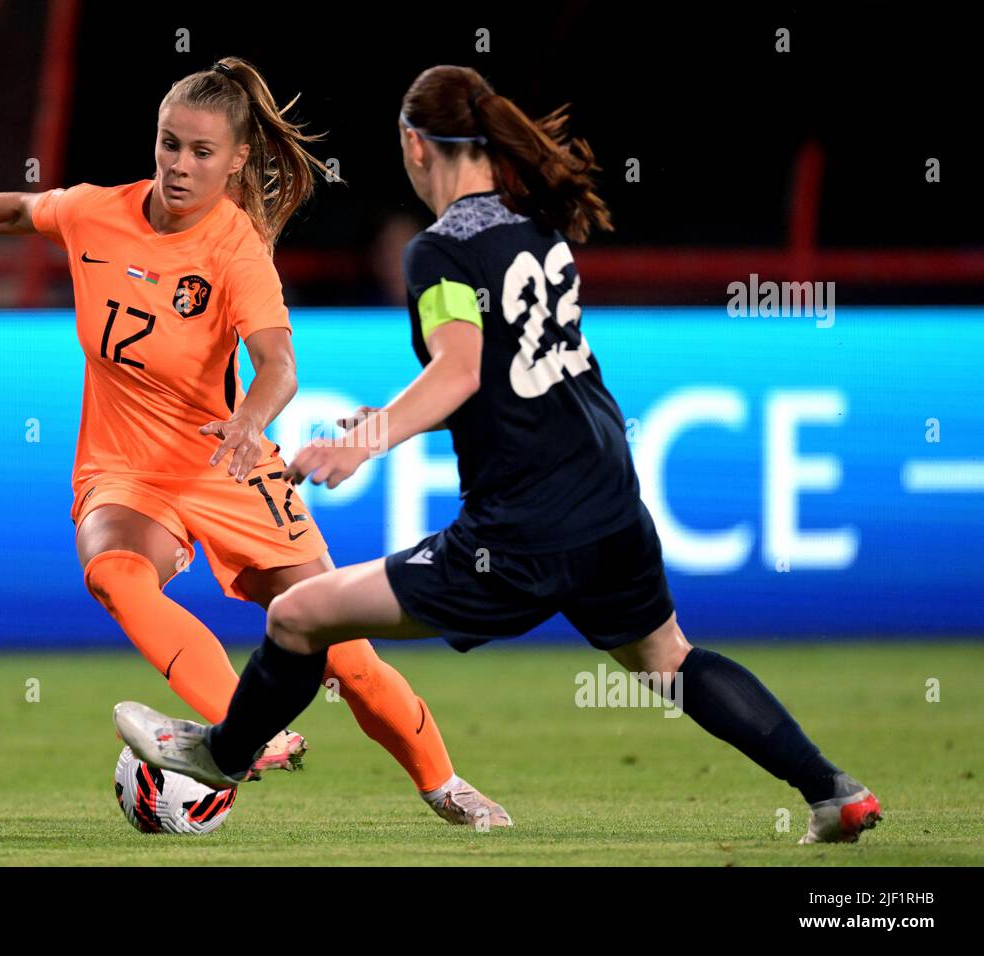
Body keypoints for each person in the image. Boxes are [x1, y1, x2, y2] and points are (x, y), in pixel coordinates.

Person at [114, 65, 883, 845]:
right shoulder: (533, 223)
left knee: (299, 615)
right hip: (609, 492)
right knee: (669, 658)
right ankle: (832, 791)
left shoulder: (439, 252)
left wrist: (362, 441)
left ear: (416, 146)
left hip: (523, 526)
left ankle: (221, 753)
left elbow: (460, 368)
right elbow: (509, 377)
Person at [0, 57, 508, 827]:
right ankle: (245, 734)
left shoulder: (235, 250)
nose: (180, 166)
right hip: (125, 468)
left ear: (235, 161)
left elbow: (279, 366)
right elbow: (16, 210)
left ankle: (445, 785)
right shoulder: (96, 211)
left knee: (343, 653)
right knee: (116, 574)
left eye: (201, 152)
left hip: (229, 464)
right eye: (169, 145)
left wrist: (252, 419)